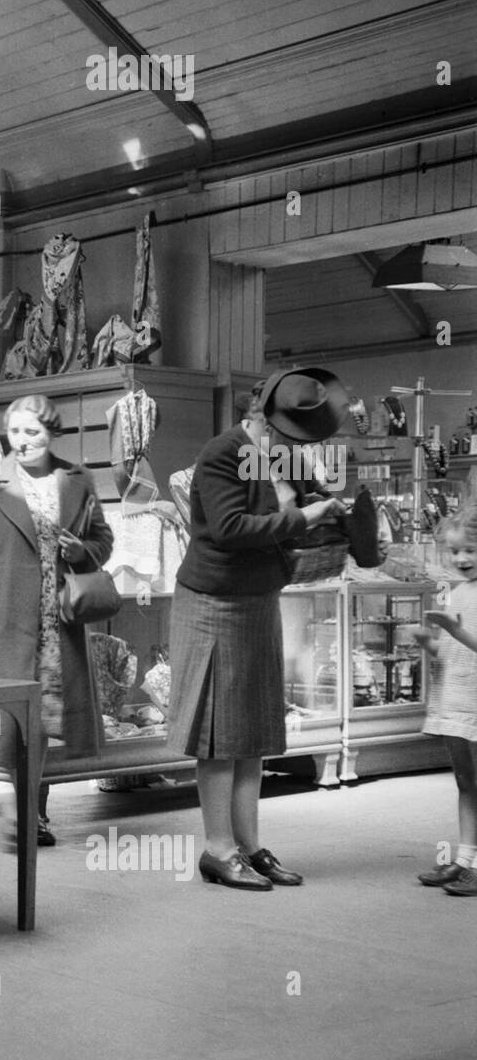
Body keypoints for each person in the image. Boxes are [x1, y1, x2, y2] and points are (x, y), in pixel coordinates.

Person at [168, 367, 349, 890]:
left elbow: (314, 503)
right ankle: (217, 850)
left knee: (251, 733)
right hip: (214, 601)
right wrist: (306, 519)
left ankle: (248, 846)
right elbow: (228, 529)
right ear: (260, 419)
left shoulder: (285, 457)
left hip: (258, 598)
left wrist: (340, 514)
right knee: (219, 736)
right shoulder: (223, 453)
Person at [0, 393, 114, 846]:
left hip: (58, 623)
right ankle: (22, 810)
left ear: (51, 433)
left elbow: (103, 539)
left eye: (31, 432)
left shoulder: (78, 480)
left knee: (46, 721)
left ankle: (34, 810)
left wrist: (83, 551)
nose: (22, 441)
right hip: (4, 618)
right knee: (14, 719)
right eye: (14, 432)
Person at [412, 504, 477, 895]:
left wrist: (454, 632)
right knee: (465, 782)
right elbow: (453, 651)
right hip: (457, 698)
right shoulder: (459, 592)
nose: (461, 558)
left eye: (470, 549)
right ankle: (463, 859)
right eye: (454, 552)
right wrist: (430, 644)